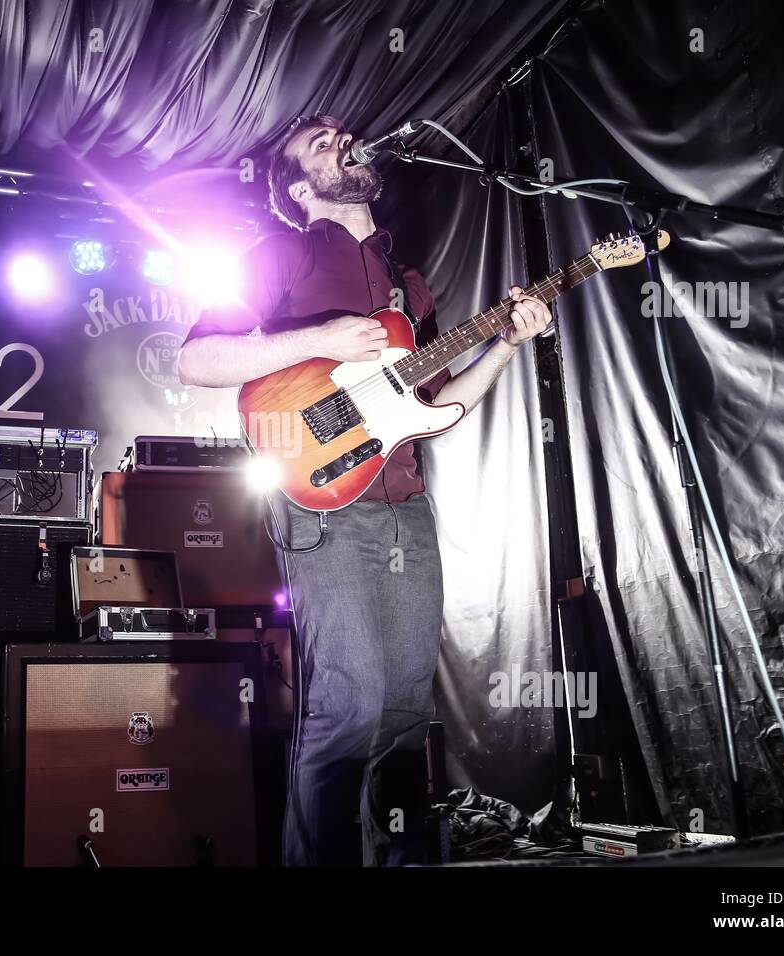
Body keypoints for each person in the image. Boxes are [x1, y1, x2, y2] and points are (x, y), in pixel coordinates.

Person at [177, 114, 552, 866]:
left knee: (408, 715)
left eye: (342, 133)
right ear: (296, 186)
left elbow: (441, 409)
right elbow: (198, 362)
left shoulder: (408, 283)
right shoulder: (277, 252)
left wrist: (508, 345)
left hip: (406, 507)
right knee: (347, 709)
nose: (342, 140)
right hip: (324, 507)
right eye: (320, 142)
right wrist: (321, 340)